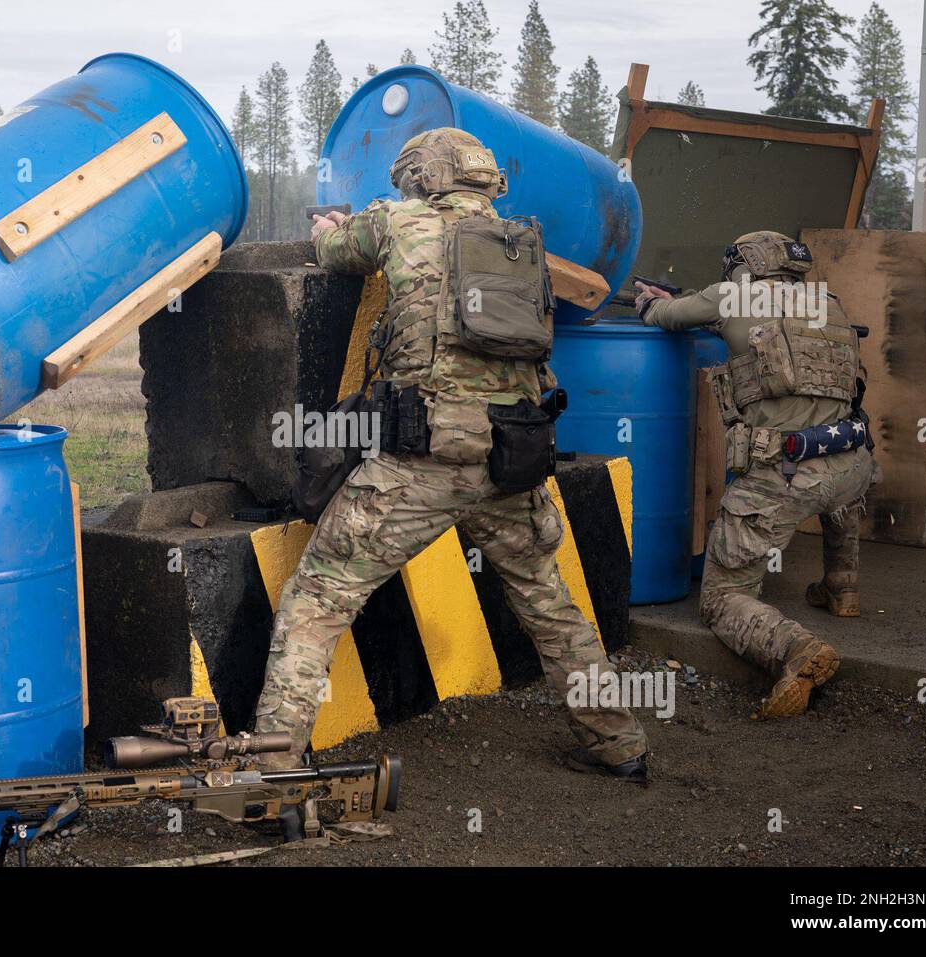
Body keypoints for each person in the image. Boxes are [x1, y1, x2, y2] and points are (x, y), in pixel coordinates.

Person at [252, 128, 649, 782]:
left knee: (318, 598)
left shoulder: (395, 220)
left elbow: (335, 251)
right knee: (549, 604)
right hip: (513, 456)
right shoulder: (520, 240)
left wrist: (329, 225)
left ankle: (273, 774)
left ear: (421, 176)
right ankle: (617, 739)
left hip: (423, 460)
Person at [637, 232, 879, 718]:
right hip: (854, 463)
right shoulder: (826, 302)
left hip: (784, 476)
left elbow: (663, 318)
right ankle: (842, 585)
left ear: (741, 265)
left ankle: (795, 651)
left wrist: (650, 301)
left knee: (724, 596)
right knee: (838, 492)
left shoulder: (729, 295)